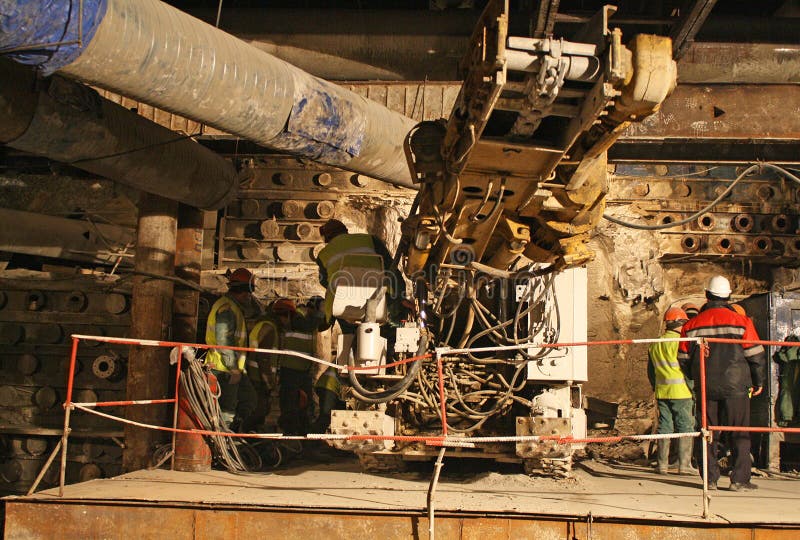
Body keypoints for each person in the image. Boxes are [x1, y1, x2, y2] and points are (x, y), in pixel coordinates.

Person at [678, 275, 766, 491]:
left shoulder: (691, 325)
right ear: (728, 297)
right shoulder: (742, 322)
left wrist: (696, 377)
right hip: (737, 387)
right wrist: (758, 381)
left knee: (708, 433)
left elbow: (683, 359)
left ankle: (709, 480)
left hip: (706, 387)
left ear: (707, 294)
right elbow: (756, 355)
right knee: (739, 432)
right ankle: (739, 480)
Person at [315, 219, 405, 333]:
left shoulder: (323, 254)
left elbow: (324, 282)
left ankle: (351, 337)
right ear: (345, 230)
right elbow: (391, 268)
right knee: (388, 330)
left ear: (327, 238)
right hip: (378, 296)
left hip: (343, 304)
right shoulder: (370, 240)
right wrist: (400, 298)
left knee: (350, 333)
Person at [205, 268, 261, 430]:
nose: (250, 296)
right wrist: (234, 369)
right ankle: (224, 439)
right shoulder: (227, 309)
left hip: (233, 367)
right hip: (224, 368)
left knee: (249, 399)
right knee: (227, 409)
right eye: (249, 292)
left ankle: (234, 432)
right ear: (243, 291)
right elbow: (223, 341)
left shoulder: (233, 307)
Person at [648, 307, 696, 475]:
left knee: (665, 427)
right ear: (680, 323)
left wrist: (656, 388)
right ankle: (684, 465)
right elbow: (687, 369)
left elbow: (651, 371)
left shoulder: (655, 343)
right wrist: (694, 390)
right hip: (682, 391)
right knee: (686, 426)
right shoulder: (681, 342)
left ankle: (662, 465)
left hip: (662, 391)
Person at [272, 298, 316, 435]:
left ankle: (290, 433)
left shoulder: (294, 325)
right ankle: (302, 433)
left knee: (289, 405)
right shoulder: (306, 324)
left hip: (291, 372)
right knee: (303, 406)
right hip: (304, 371)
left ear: (287, 314)